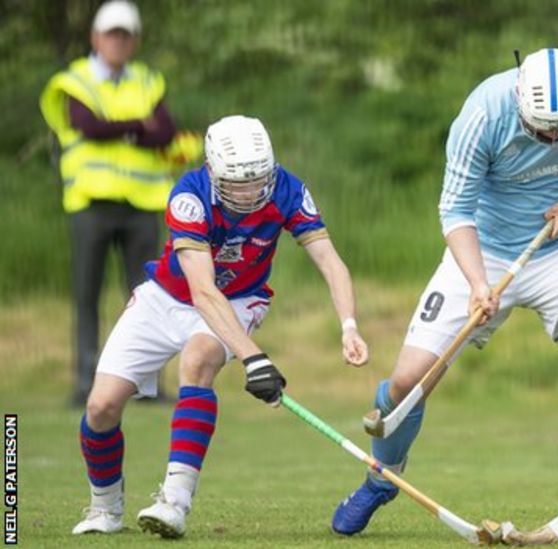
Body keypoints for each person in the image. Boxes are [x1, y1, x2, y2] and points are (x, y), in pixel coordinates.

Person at [329, 48, 558, 544]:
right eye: (543, 131)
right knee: (407, 379)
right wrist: (477, 283)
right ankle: (382, 480)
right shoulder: (484, 112)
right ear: (519, 99)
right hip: (481, 252)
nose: (554, 140)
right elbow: (455, 211)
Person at [70, 114, 370, 538]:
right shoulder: (189, 196)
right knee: (101, 407)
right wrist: (255, 360)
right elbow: (202, 291)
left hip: (240, 299)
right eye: (236, 183)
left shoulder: (288, 189)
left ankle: (174, 502)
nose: (249, 192)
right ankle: (105, 509)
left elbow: (330, 261)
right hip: (167, 297)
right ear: (212, 170)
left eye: (258, 180)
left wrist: (349, 325)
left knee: (198, 360)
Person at [39, 0, 199, 406]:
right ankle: (86, 384)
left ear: (135, 41)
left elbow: (165, 132)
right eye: (112, 34)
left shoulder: (147, 80)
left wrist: (122, 128)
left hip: (142, 204)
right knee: (87, 295)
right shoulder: (76, 80)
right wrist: (137, 125)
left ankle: (144, 386)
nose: (118, 42)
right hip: (90, 203)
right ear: (96, 38)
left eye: (125, 35)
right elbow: (88, 126)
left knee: (150, 298)